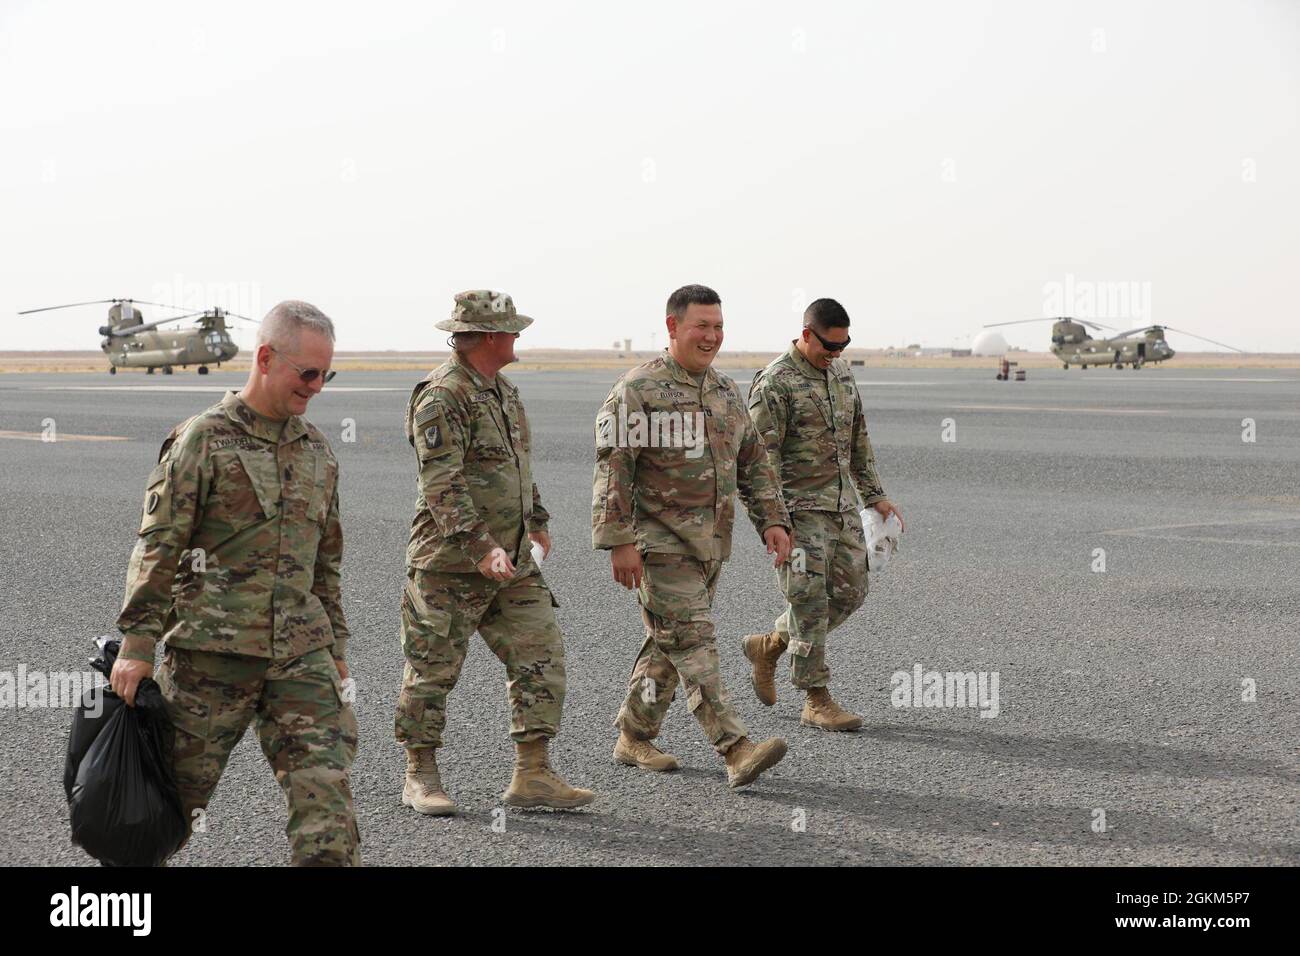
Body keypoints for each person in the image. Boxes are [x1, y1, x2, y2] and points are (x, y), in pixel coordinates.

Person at [110, 300, 360, 865]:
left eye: (327, 374)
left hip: (300, 655)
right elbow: (159, 546)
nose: (318, 387)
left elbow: (326, 563)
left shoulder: (318, 451)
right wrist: (137, 644)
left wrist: (336, 648)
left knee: (328, 810)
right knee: (160, 814)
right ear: (267, 358)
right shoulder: (203, 439)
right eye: (308, 373)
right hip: (210, 657)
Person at [396, 290, 595, 814]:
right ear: (487, 336)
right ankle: (420, 774)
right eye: (511, 329)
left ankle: (532, 774)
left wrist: (539, 522)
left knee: (541, 655)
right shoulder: (442, 396)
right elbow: (442, 483)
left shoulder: (503, 392)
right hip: (449, 563)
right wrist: (480, 546)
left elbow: (517, 469)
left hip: (512, 560)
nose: (517, 337)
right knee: (433, 670)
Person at [593, 283, 794, 788]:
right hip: (656, 544)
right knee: (696, 642)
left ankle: (633, 735)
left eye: (718, 327)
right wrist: (618, 539)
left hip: (709, 545)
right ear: (672, 327)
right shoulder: (638, 389)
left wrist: (772, 520)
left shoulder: (726, 392)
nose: (711, 336)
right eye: (701, 326)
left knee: (669, 645)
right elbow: (614, 467)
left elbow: (753, 463)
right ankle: (735, 746)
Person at [743, 298, 904, 730]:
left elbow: (858, 438)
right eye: (829, 345)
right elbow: (758, 461)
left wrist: (874, 495)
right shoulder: (775, 383)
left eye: (844, 345)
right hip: (797, 512)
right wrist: (772, 521)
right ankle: (815, 699)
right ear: (807, 333)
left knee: (851, 592)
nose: (836, 353)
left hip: (839, 507)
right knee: (808, 602)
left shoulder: (841, 373)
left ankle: (773, 643)